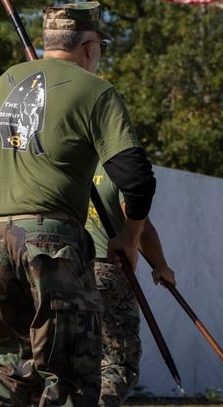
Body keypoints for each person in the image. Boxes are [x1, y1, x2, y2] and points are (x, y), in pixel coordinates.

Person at [0, 2, 158, 407]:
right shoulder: (95, 89)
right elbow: (136, 179)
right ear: (89, 46)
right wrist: (128, 240)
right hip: (50, 243)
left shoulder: (4, 84)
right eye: (101, 46)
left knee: (11, 372)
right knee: (70, 374)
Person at [85, 166, 176, 407]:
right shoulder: (117, 168)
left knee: (70, 364)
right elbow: (139, 225)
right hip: (105, 271)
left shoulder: (65, 163)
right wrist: (161, 266)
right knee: (118, 364)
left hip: (62, 272)